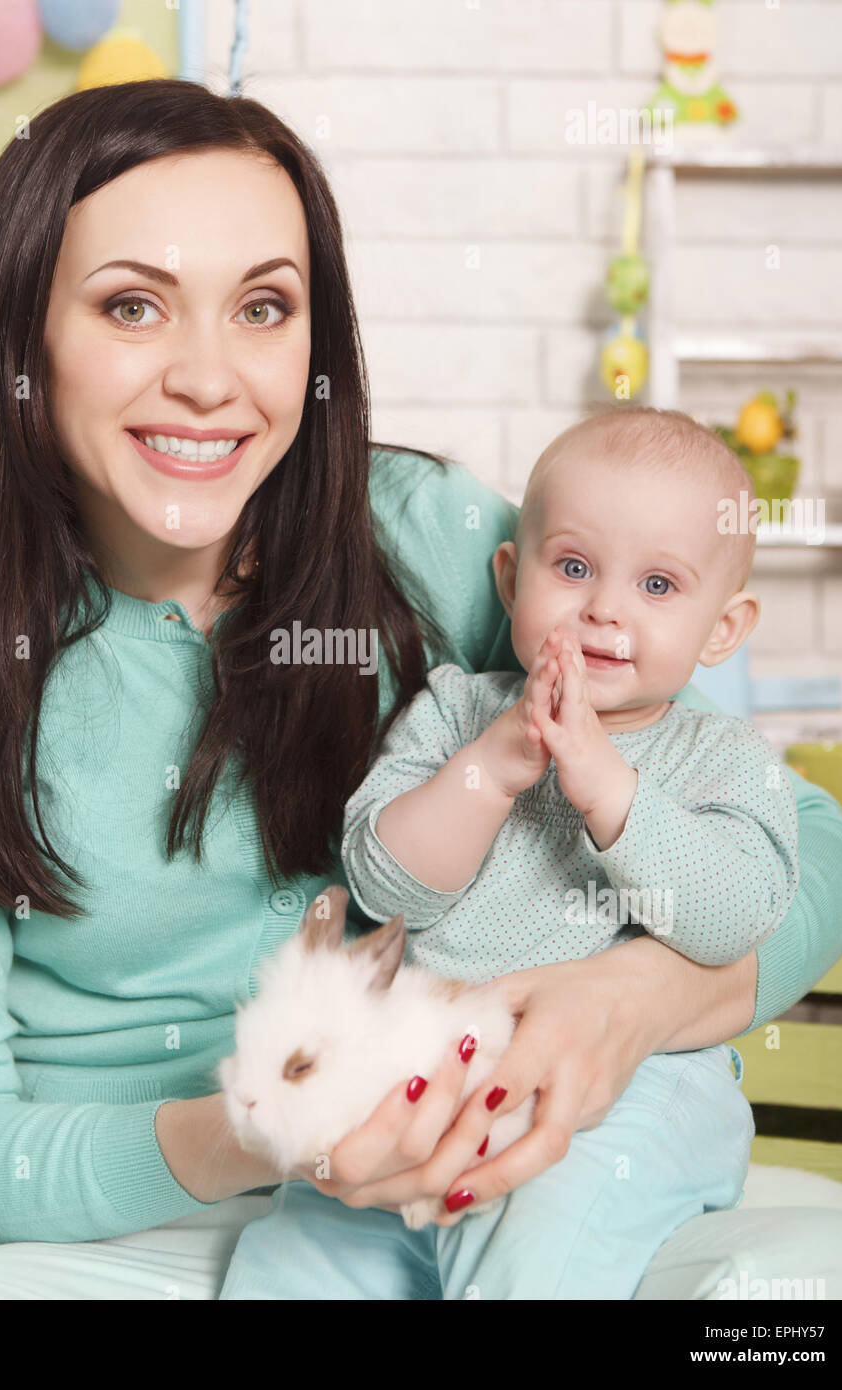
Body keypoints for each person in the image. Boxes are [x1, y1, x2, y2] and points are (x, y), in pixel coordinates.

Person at [0, 80, 842, 1301]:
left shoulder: (427, 535)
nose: (210, 380)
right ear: (23, 337)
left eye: (264, 307)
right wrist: (264, 1130)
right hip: (156, 1223)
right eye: (132, 306)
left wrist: (632, 1000)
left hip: (523, 1162)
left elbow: (819, 848)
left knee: (805, 1291)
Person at [220, 406, 799, 1299]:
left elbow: (732, 920)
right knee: (300, 1253)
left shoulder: (724, 762)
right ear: (508, 577)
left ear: (722, 629)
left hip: (636, 1091)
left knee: (541, 1240)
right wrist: (488, 772)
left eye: (657, 586)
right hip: (434, 1080)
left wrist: (607, 786)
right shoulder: (456, 711)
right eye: (572, 567)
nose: (604, 606)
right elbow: (384, 881)